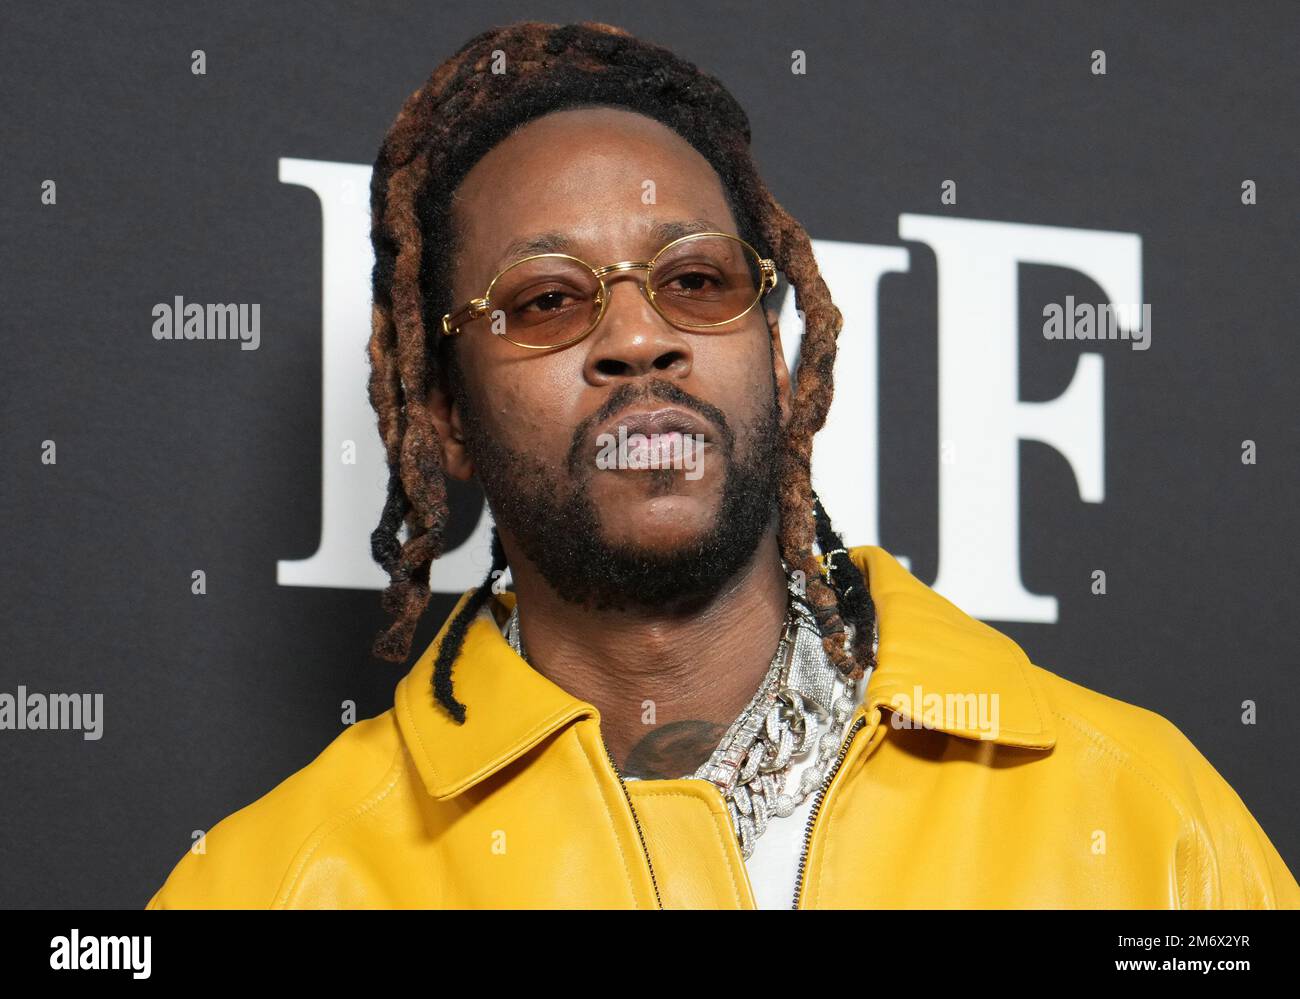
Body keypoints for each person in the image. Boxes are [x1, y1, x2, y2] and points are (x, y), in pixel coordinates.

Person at [147, 20, 1299, 909]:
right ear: (441, 411)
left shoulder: (1148, 820)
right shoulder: (275, 882)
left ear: (771, 340)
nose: (639, 337)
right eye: (546, 301)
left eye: (696, 281)